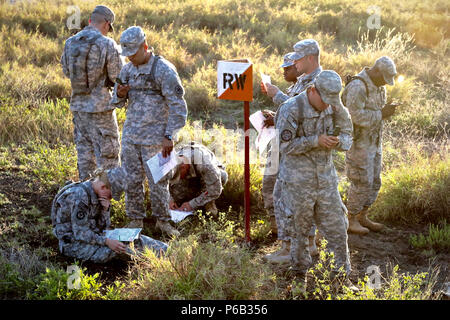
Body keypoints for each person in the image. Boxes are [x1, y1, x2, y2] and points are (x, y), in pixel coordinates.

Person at [274, 70, 353, 283]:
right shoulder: (291, 108)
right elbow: (283, 145)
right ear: (312, 90)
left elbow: (348, 132)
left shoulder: (334, 105)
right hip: (298, 182)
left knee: (338, 227)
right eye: (324, 100)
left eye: (332, 100)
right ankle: (300, 277)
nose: (328, 105)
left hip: (326, 180)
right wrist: (315, 141)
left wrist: (340, 142)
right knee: (299, 233)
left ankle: (342, 278)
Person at [110, 26, 187, 236]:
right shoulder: (127, 70)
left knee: (159, 181)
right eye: (127, 55)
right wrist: (119, 93)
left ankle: (163, 221)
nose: (130, 59)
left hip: (157, 139)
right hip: (131, 137)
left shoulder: (164, 70)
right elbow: (115, 102)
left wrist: (169, 136)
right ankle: (135, 220)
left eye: (133, 54)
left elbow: (178, 107)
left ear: (145, 46)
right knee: (131, 179)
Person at [262, 40, 323, 263]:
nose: (294, 63)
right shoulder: (304, 82)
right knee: (295, 198)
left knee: (289, 197)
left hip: (301, 150)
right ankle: (304, 244)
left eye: (297, 58)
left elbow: (303, 112)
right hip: (297, 147)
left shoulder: (318, 82)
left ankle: (291, 249)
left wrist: (277, 96)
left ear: (309, 58)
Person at [51, 169, 168, 263]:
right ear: (103, 187)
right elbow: (81, 233)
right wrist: (107, 241)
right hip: (73, 244)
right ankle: (159, 260)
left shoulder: (97, 193)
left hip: (93, 236)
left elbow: (103, 228)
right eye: (111, 195)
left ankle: (168, 250)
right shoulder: (79, 195)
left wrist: (105, 210)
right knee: (117, 249)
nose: (111, 198)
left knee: (134, 237)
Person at [60, 5, 123, 181]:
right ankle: (107, 202)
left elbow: (67, 72)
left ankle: (87, 199)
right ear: (106, 24)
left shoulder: (70, 43)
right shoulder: (107, 44)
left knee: (85, 156)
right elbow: (118, 76)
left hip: (79, 108)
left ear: (90, 21)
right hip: (101, 109)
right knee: (108, 156)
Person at [342, 56, 397, 235]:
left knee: (374, 181)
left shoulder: (378, 86)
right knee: (360, 181)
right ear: (377, 71)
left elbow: (375, 111)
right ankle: (350, 219)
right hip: (358, 144)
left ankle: (362, 216)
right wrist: (381, 114)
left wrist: (385, 111)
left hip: (373, 142)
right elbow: (355, 117)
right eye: (385, 78)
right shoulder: (358, 87)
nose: (386, 84)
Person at [168, 142, 228, 216]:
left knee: (221, 177)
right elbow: (163, 183)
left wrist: (192, 204)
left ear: (184, 167)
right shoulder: (171, 161)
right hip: (191, 177)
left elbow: (215, 189)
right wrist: (169, 200)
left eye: (177, 176)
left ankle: (209, 202)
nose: (177, 178)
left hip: (209, 178)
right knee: (177, 197)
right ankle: (194, 198)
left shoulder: (205, 164)